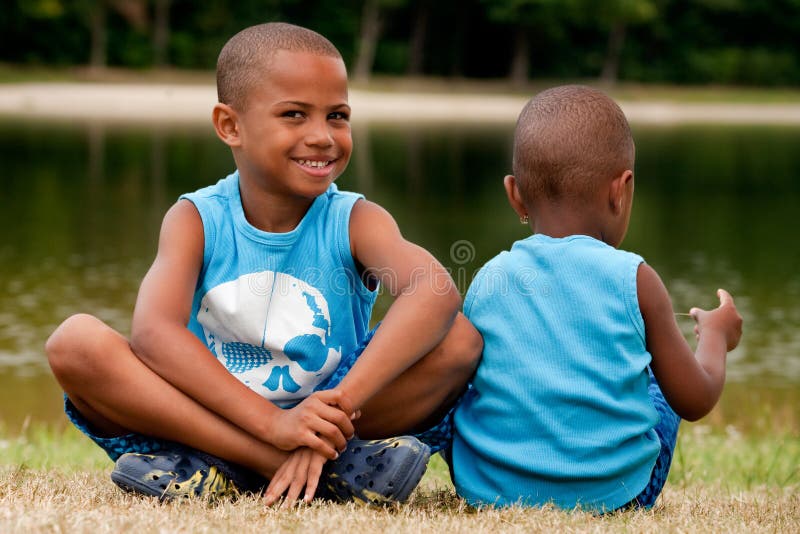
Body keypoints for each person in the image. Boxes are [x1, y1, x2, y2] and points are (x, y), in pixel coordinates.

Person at [45, 22, 481, 507]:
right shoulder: (196, 219)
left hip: (335, 416)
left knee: (460, 339)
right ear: (230, 126)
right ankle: (278, 464)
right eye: (294, 114)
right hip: (216, 416)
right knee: (74, 344)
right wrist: (274, 427)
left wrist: (338, 405)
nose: (322, 136)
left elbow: (435, 291)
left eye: (337, 116)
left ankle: (240, 466)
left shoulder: (355, 219)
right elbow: (153, 334)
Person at [450, 85, 743, 512]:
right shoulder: (636, 278)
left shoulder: (489, 276)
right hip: (617, 497)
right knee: (661, 380)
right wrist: (715, 338)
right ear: (621, 190)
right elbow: (695, 399)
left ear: (514, 194)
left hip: (490, 488)